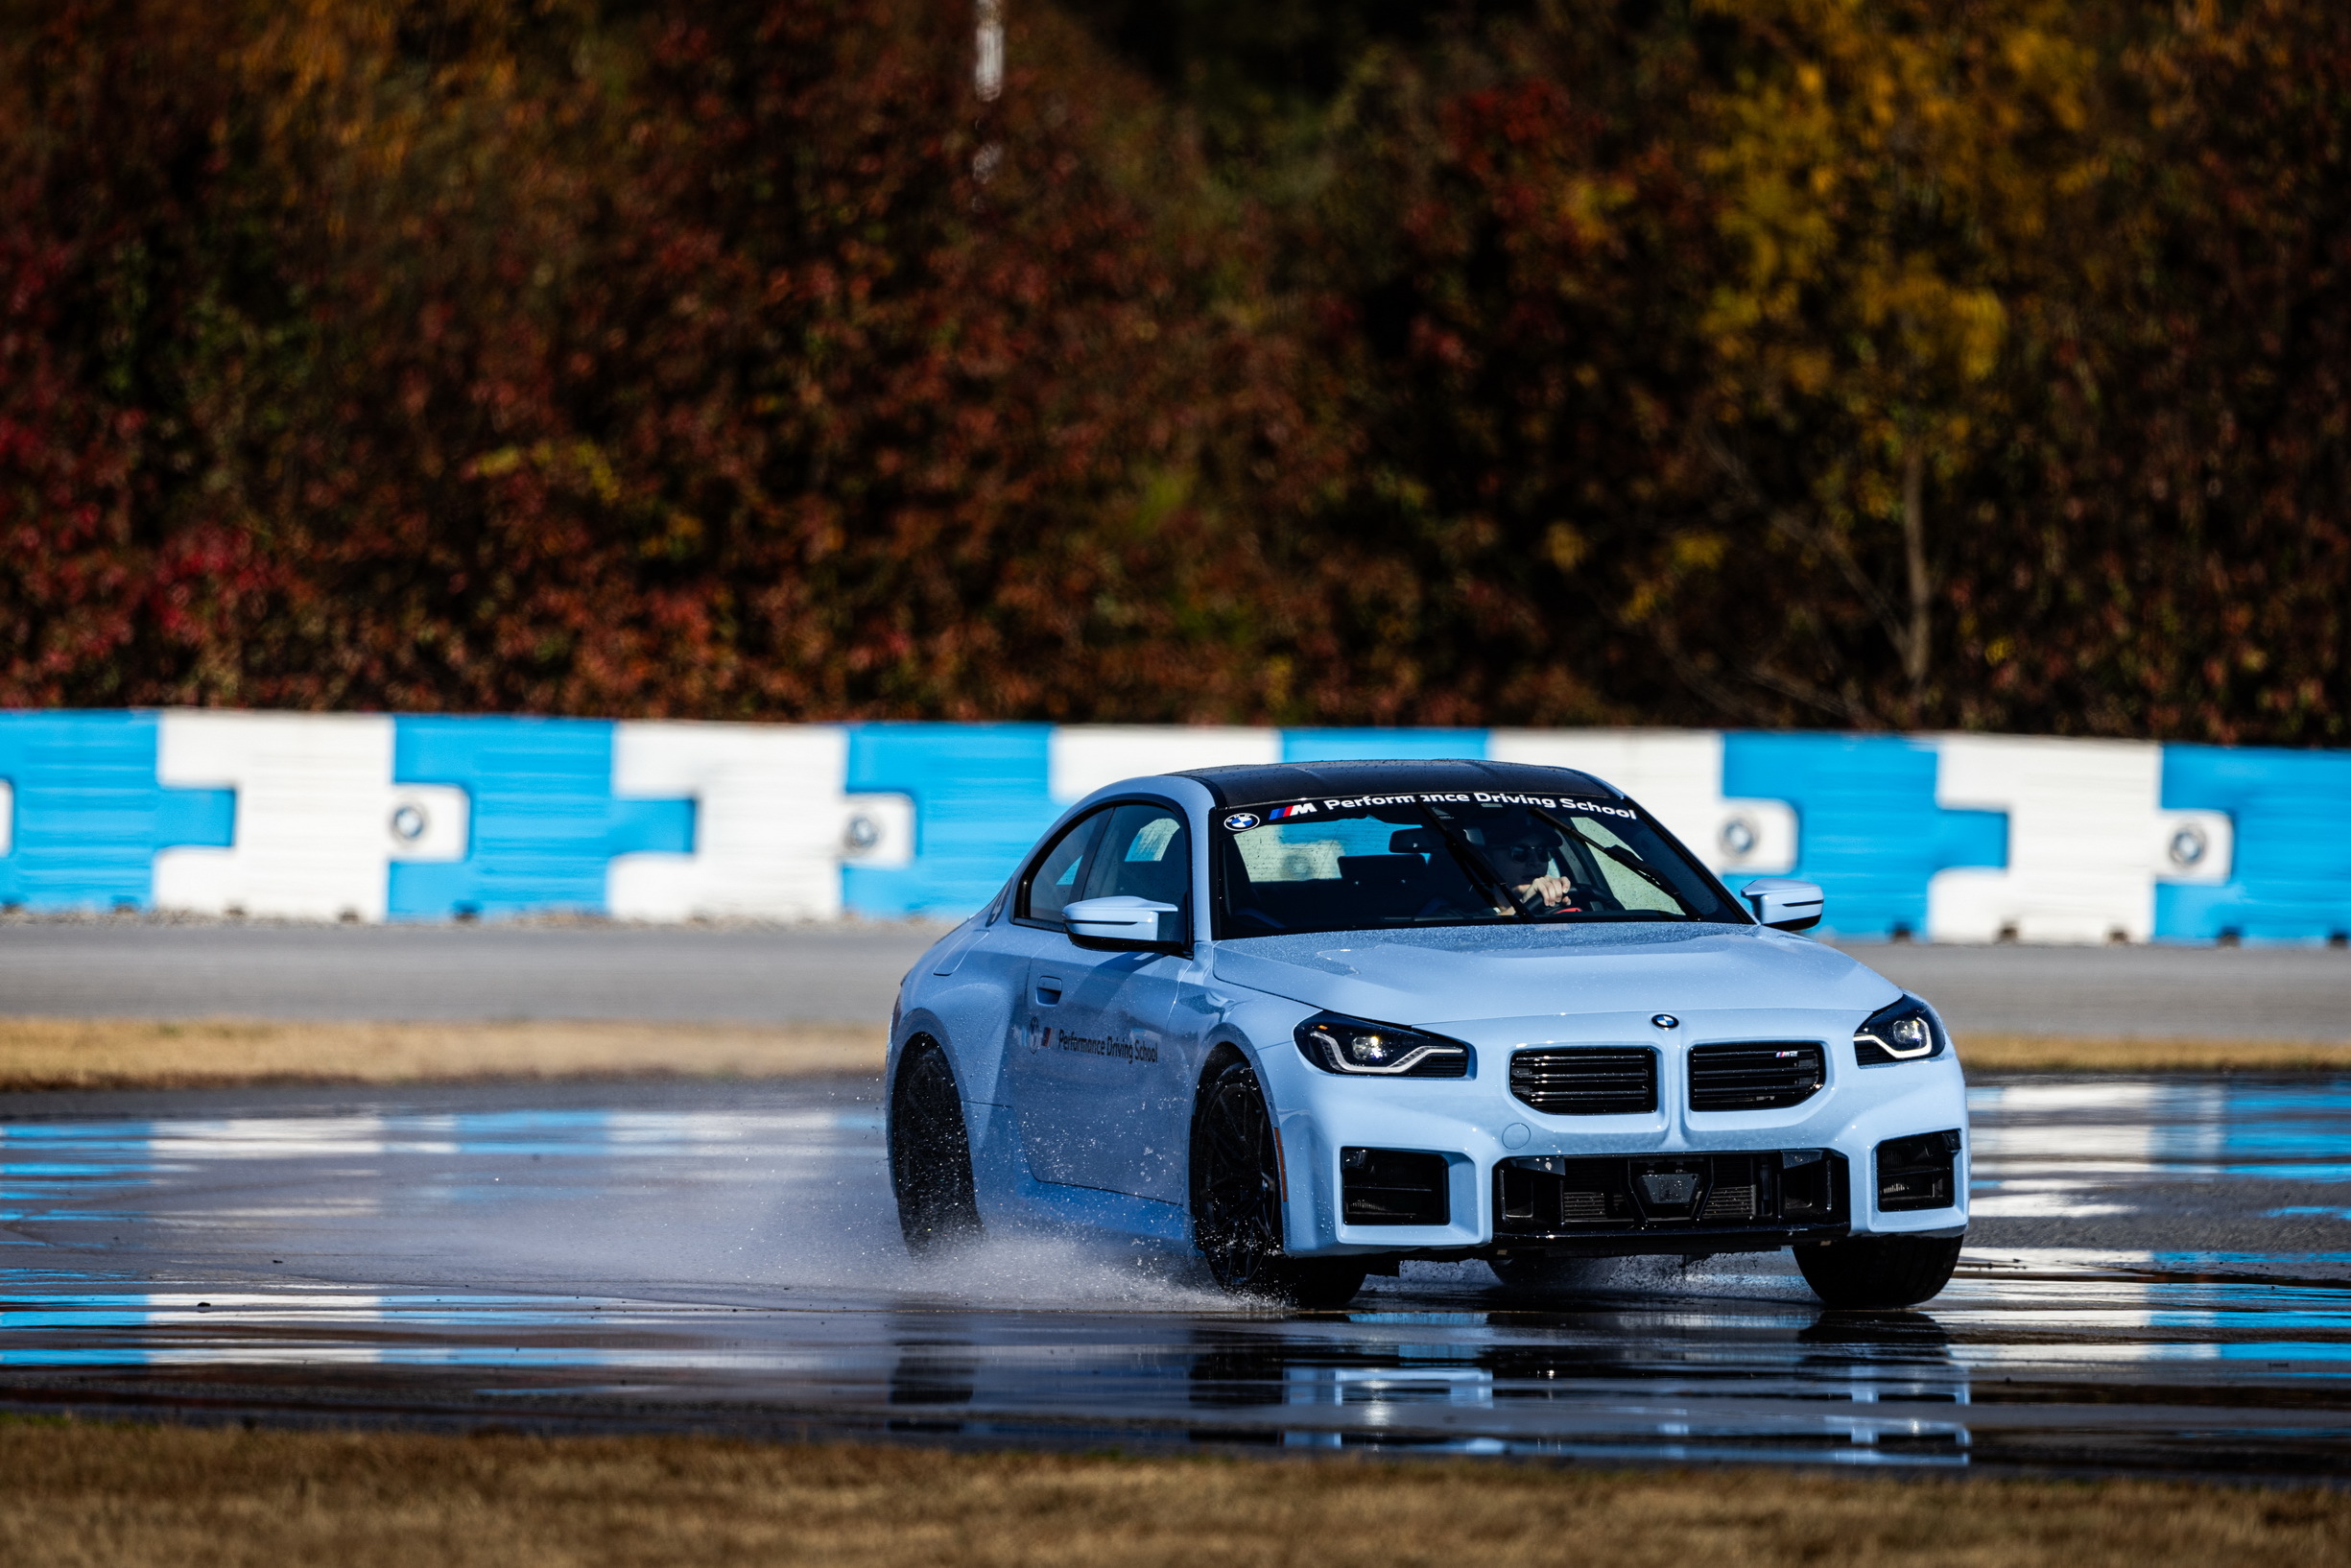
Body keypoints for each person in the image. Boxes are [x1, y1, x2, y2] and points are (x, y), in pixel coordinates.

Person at [1487, 824, 1587, 915]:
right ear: (1490, 859)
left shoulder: (1557, 906)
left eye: (1543, 851)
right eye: (1519, 852)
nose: (1535, 862)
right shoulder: (1478, 907)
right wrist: (1523, 905)